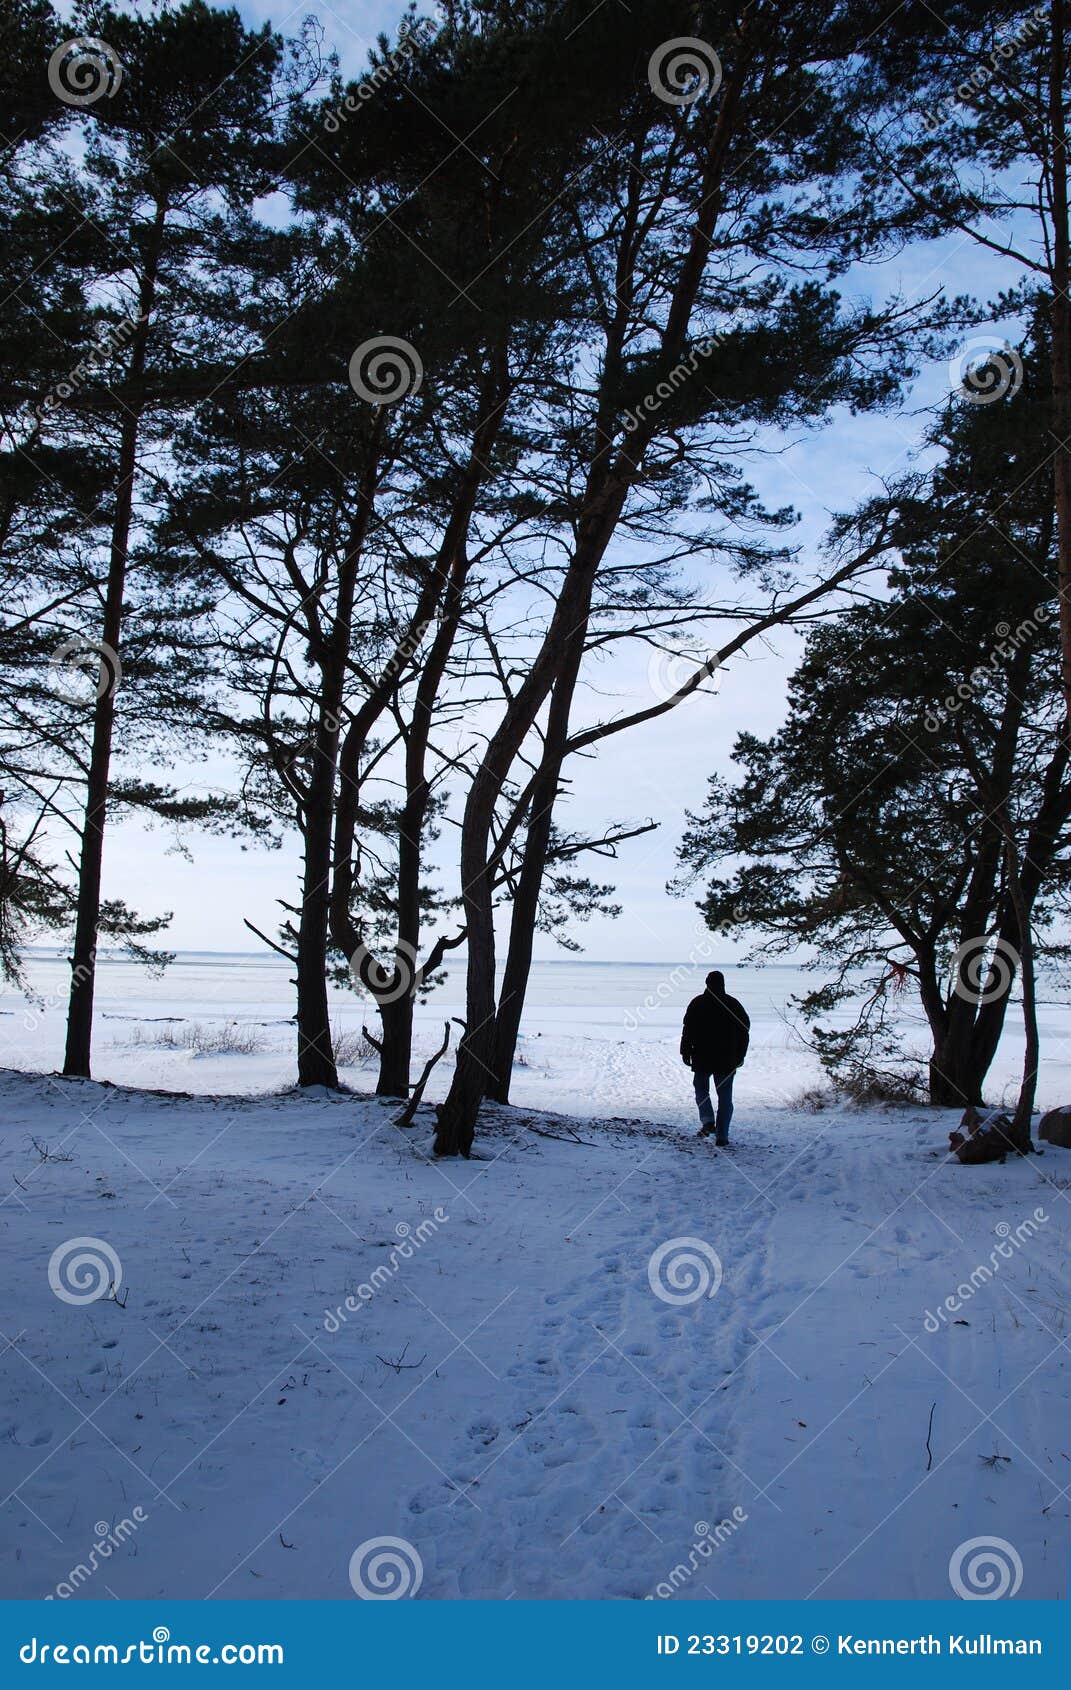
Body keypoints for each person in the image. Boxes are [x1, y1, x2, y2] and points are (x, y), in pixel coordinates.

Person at [680, 970, 750, 1145]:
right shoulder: (733, 1004)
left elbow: (687, 1030)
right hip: (725, 1059)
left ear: (706, 983)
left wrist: (685, 1051)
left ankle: (708, 1121)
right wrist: (740, 1055)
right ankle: (721, 1135)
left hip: (704, 1057)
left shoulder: (697, 1003)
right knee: (724, 1097)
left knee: (702, 1089)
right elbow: (744, 1031)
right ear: (723, 984)